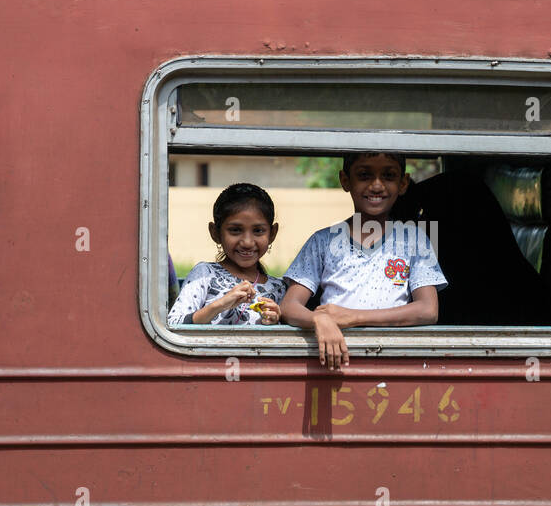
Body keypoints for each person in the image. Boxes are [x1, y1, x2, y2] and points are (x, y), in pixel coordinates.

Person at [282, 152, 446, 369]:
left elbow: (427, 310)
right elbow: (289, 306)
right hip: (333, 363)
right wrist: (319, 320)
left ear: (403, 183)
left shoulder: (414, 239)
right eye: (364, 175)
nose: (376, 186)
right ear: (345, 180)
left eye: (388, 176)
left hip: (396, 361)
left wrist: (353, 317)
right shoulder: (323, 240)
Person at [167, 183, 286, 326]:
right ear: (215, 233)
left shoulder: (280, 288)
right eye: (235, 230)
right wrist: (220, 304)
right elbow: (173, 324)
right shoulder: (205, 274)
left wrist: (275, 321)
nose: (247, 242)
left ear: (272, 233)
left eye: (258, 231)